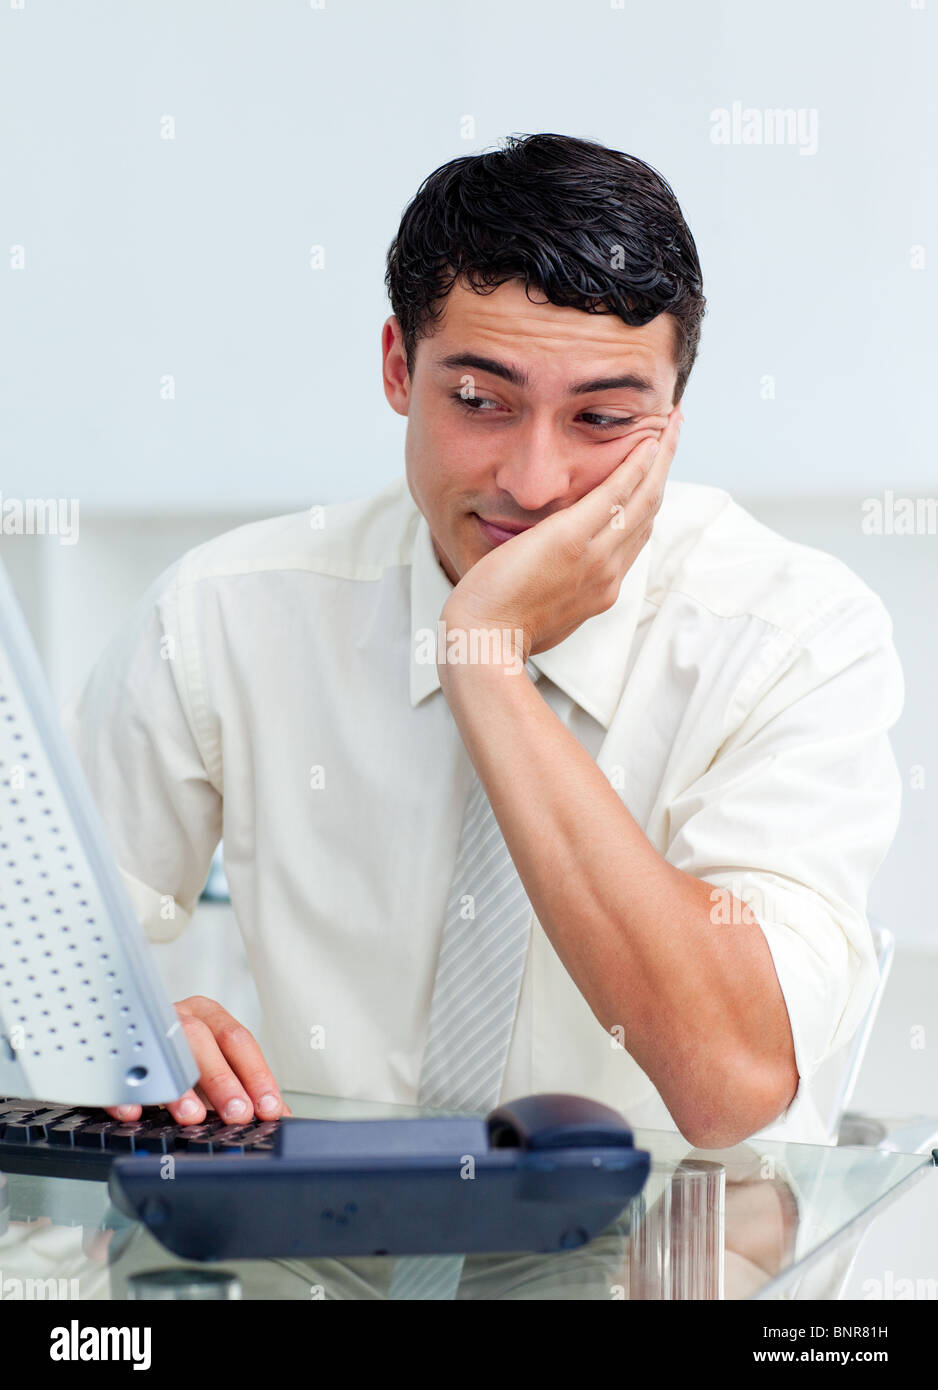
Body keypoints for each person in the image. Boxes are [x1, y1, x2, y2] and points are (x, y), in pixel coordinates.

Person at [65, 132, 903, 1149]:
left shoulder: (794, 638)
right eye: (478, 401)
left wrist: (483, 658)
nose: (534, 481)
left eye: (599, 418)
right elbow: (49, 969)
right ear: (395, 368)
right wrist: (132, 1036)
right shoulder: (221, 616)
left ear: (672, 422)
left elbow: (728, 1081)